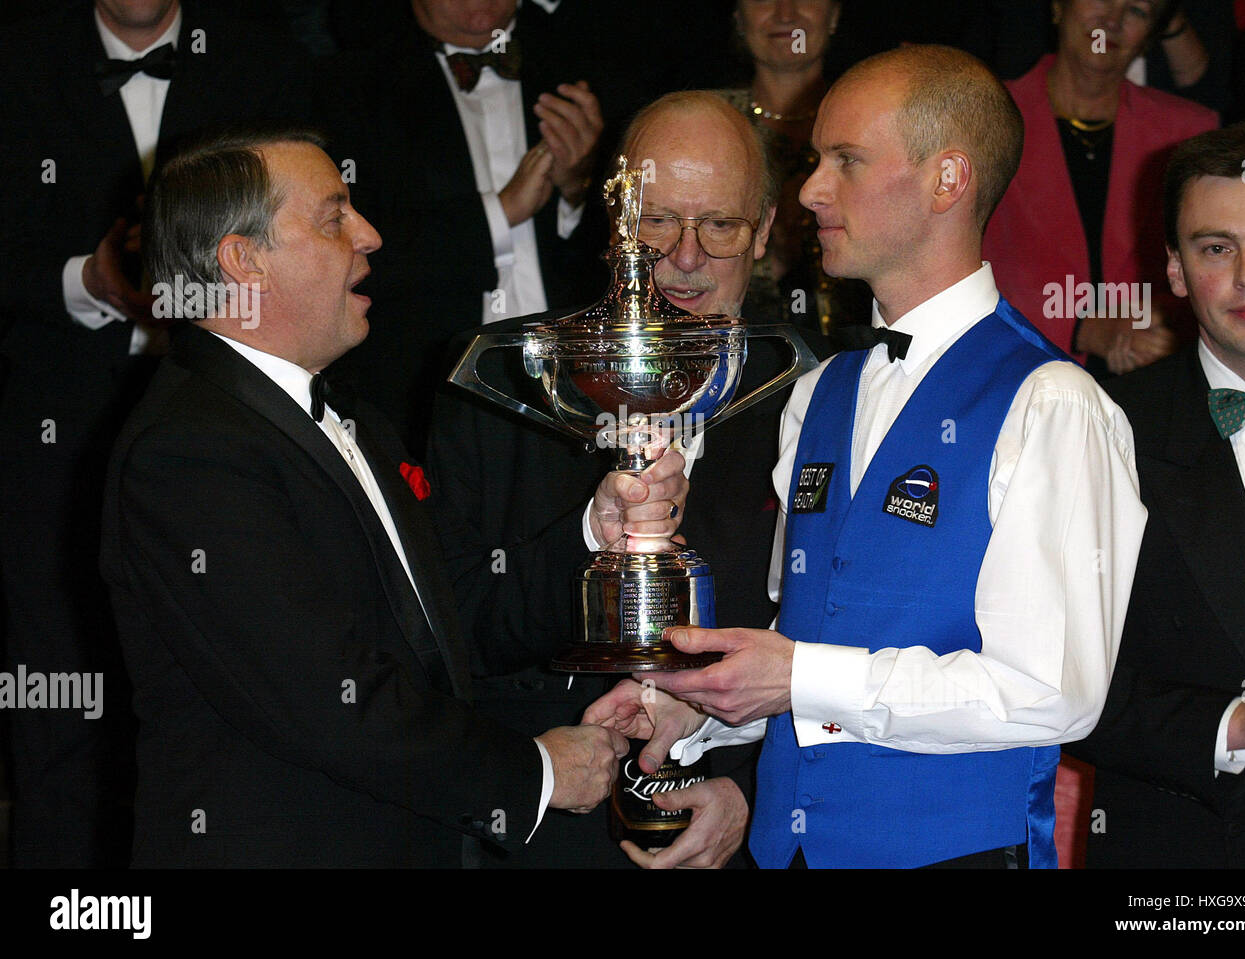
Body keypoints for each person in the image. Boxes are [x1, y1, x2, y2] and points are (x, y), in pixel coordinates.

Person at [585, 45, 1146, 869]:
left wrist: (800, 677)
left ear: (947, 180)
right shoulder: (819, 392)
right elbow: (807, 637)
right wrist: (701, 714)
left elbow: (1053, 692)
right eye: (815, 161)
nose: (809, 190)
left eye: (844, 160)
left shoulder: (1054, 403)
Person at [98, 124, 695, 867]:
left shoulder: (353, 424)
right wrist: (534, 772)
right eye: (333, 216)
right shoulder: (192, 451)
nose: (371, 236)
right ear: (243, 261)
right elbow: (325, 701)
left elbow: (449, 627)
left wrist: (590, 536)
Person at [434, 90, 830, 869]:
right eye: (656, 221)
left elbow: (857, 651)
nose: (684, 257)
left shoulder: (824, 396)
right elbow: (457, 637)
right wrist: (587, 536)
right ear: (613, 222)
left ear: (765, 234)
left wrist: (753, 793)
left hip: (748, 839)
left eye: (719, 224)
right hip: (544, 842)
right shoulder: (506, 383)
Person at [0, 0, 310, 868]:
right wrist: (89, 279)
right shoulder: (18, 57)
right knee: (60, 725)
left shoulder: (267, 56)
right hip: (54, 455)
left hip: (235, 444)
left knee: (224, 715)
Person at [1069, 119, 1245, 867]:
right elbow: (1058, 678)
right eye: (1215, 247)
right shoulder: (1102, 428)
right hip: (1179, 869)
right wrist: (1234, 725)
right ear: (1172, 269)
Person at [311, 0, 642, 453]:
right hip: (421, 393)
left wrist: (580, 186)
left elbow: (642, 247)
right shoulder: (347, 87)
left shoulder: (586, 66)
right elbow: (346, 252)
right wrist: (499, 213)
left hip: (582, 384)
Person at [982, 0, 1216, 377]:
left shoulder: (1189, 131)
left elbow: (1210, 261)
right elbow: (948, 264)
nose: (1113, 19)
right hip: (1012, 373)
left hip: (1150, 375)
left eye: (1137, 11)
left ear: (1148, 40)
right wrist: (1083, 329)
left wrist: (1151, 321)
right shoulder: (984, 118)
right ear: (1058, 7)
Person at [710, 0, 872, 344]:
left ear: (835, 14)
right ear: (738, 16)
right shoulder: (701, 125)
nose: (786, 13)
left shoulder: (876, 121)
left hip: (858, 351)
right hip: (732, 351)